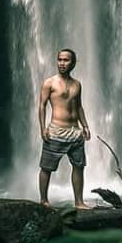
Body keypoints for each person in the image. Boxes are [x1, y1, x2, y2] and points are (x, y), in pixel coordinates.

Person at [38, 48, 91, 209]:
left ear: (73, 63)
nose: (62, 63)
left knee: (79, 166)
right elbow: (42, 106)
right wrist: (42, 128)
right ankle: (43, 200)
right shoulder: (50, 83)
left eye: (66, 60)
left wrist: (85, 125)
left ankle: (79, 202)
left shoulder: (77, 84)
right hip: (56, 131)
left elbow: (79, 106)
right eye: (60, 59)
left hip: (75, 132)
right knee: (46, 167)